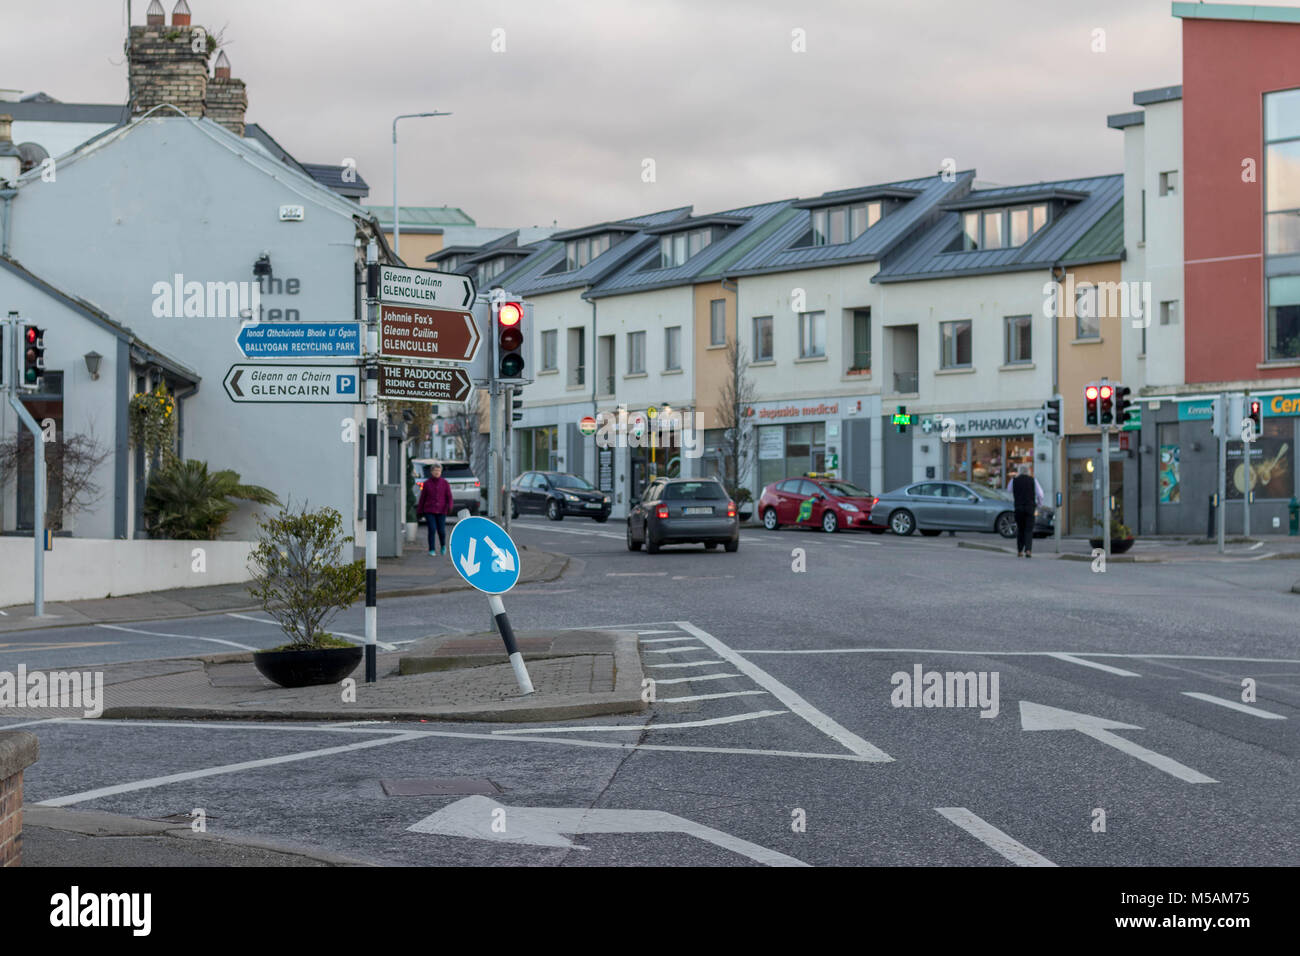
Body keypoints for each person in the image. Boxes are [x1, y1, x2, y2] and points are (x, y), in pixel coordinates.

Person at [416, 462, 454, 556]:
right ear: (431, 472)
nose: (437, 472)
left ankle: (443, 546)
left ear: (441, 472)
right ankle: (431, 549)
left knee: (441, 530)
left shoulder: (444, 483)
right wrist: (419, 510)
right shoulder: (427, 483)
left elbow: (449, 496)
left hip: (442, 510)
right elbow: (422, 498)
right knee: (432, 529)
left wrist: (450, 506)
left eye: (439, 470)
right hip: (429, 510)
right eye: (435, 470)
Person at [1009, 463, 1044, 558]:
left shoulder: (1014, 480)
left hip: (1018, 507)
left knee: (1020, 528)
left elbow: (1009, 490)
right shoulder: (1033, 480)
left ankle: (1020, 551)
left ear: (1019, 471)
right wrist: (1039, 504)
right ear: (1028, 471)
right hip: (1030, 507)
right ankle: (1028, 550)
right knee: (1028, 529)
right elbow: (1040, 494)